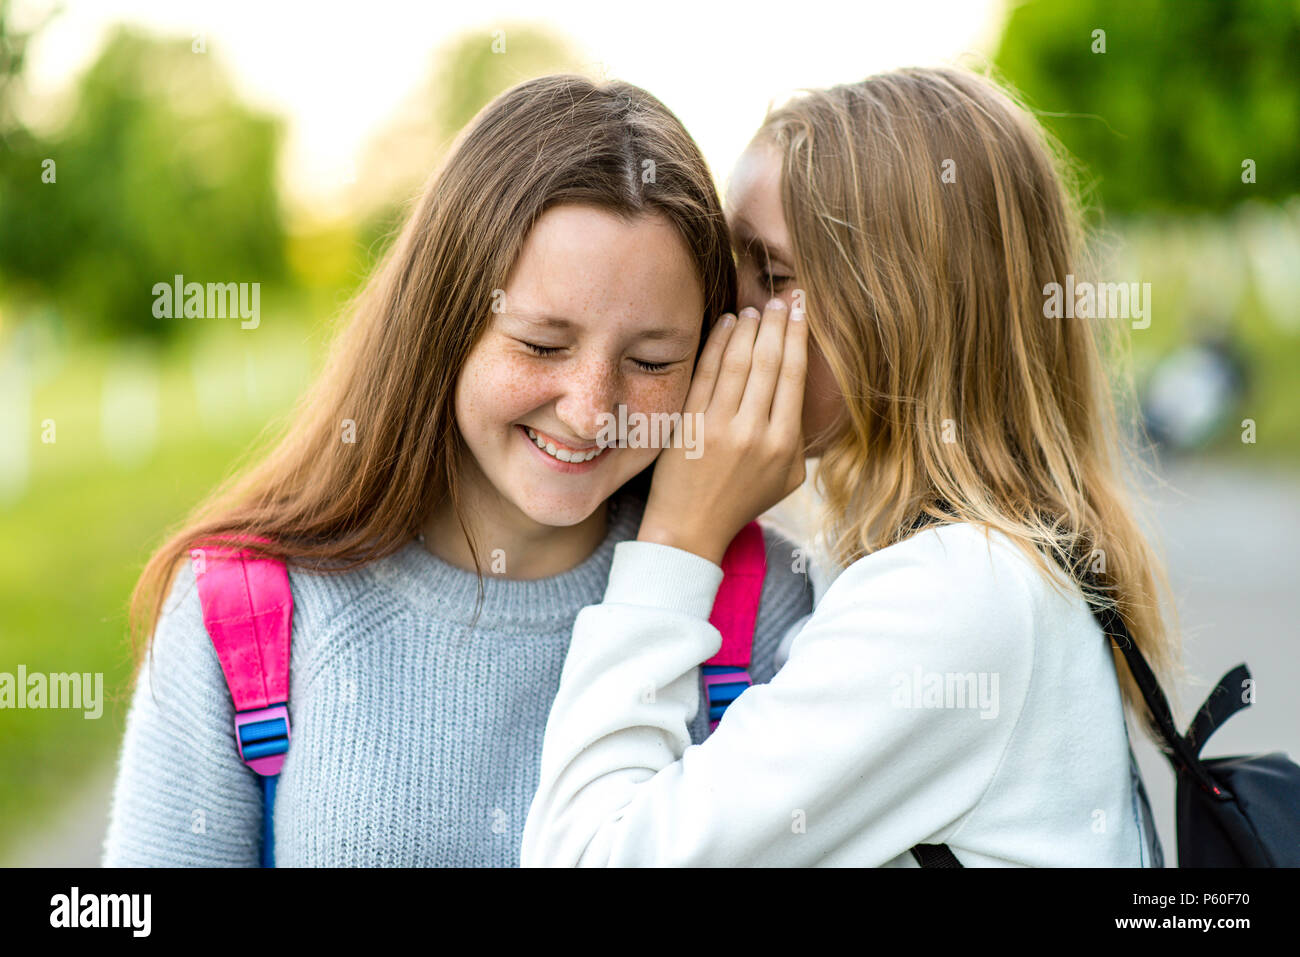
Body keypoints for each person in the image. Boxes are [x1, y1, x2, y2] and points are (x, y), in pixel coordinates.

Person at [102, 74, 812, 867]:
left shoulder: (766, 606)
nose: (589, 409)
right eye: (541, 345)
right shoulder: (248, 611)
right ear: (443, 321)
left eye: (652, 360)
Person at [522, 67, 1180, 867]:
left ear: (901, 311)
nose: (722, 309)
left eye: (771, 274)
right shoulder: (982, 570)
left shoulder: (957, 598)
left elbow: (590, 855)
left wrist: (678, 536)